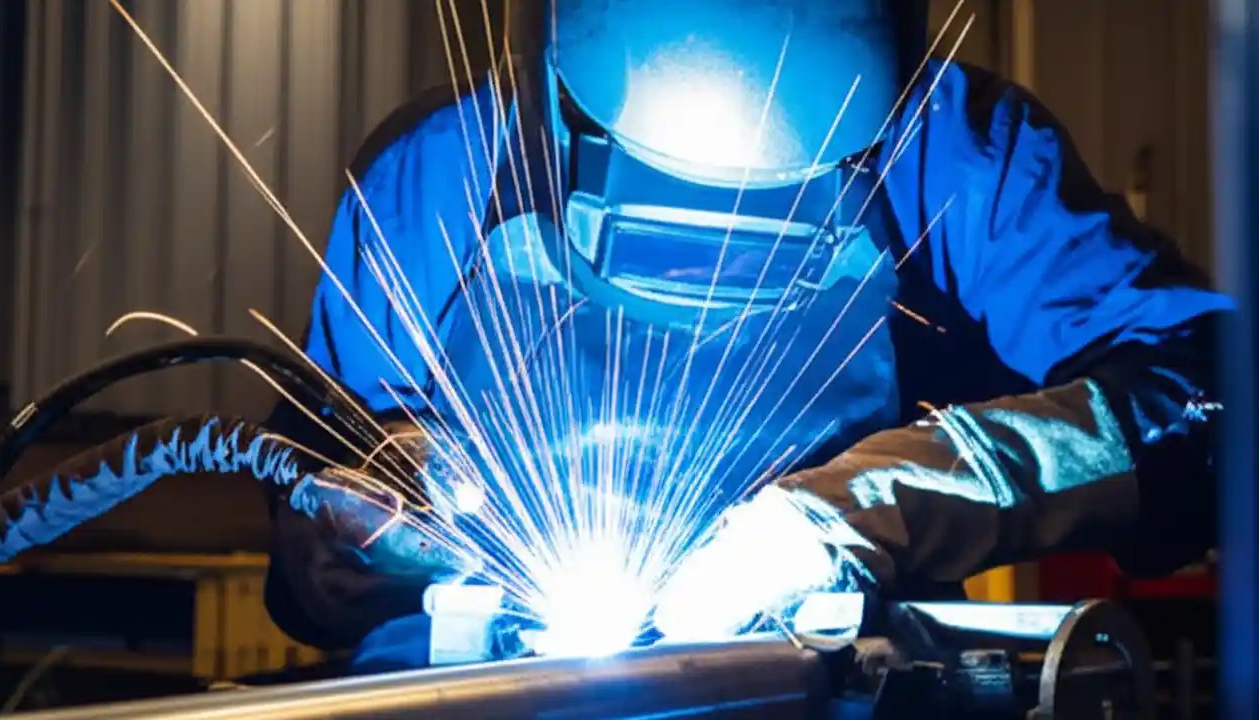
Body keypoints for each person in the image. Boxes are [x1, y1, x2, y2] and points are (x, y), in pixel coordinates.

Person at [263, 0, 1232, 658]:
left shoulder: (952, 153)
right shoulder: (435, 174)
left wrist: (876, 502)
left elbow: (1208, 395)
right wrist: (338, 540)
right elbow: (312, 490)